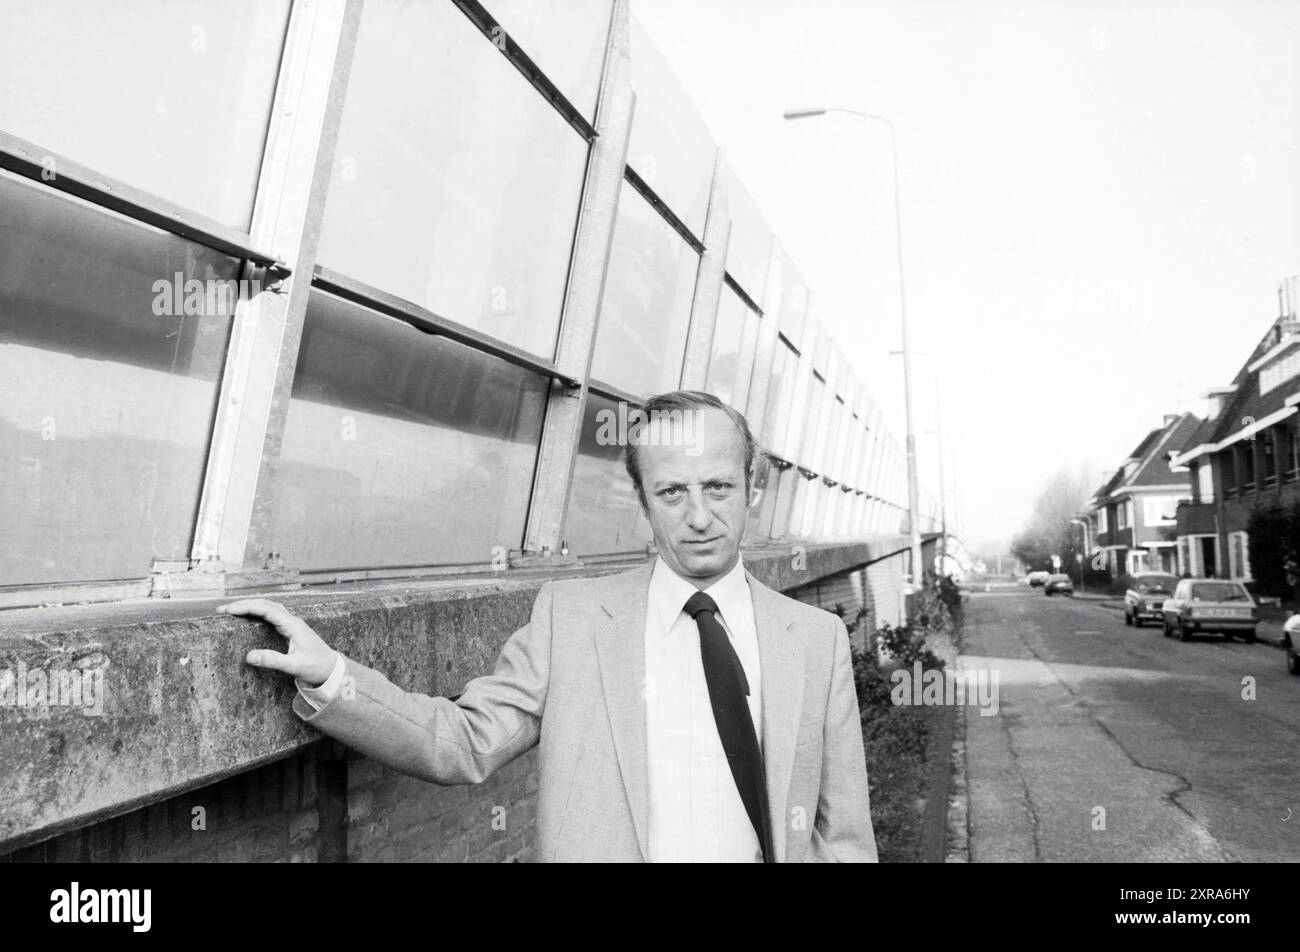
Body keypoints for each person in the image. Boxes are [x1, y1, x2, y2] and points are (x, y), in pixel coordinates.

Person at [219, 390, 877, 862]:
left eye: (718, 487)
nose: (699, 515)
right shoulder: (574, 620)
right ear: (642, 501)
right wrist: (333, 678)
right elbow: (463, 743)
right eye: (673, 492)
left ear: (751, 487)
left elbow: (845, 837)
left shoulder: (815, 640)